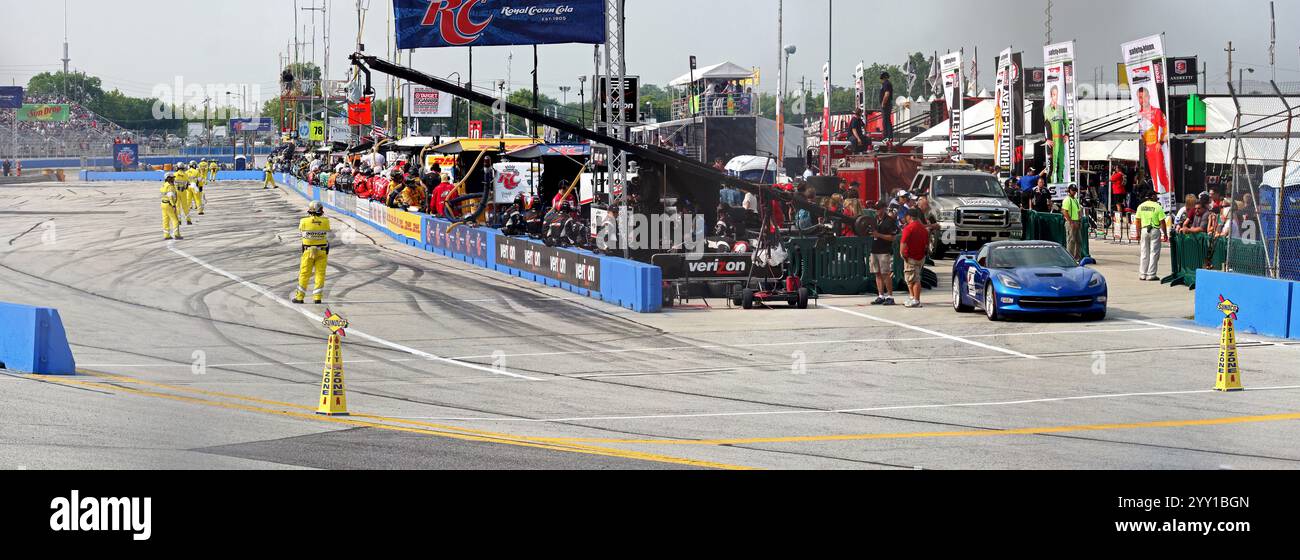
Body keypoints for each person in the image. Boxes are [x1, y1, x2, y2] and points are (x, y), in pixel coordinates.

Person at [293, 201, 331, 305]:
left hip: (308, 251)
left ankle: (300, 297)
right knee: (320, 274)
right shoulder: (326, 221)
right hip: (322, 251)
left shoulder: (303, 221)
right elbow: (327, 230)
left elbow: (301, 230)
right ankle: (317, 298)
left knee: (304, 274)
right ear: (321, 210)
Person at [1136, 87, 1170, 199]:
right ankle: (1157, 196)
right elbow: (1141, 132)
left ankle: (1167, 196)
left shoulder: (1156, 112)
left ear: (1149, 97)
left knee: (1162, 175)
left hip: (1157, 148)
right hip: (1147, 149)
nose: (1143, 99)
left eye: (1144, 96)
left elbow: (1166, 128)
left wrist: (1160, 142)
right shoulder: (1139, 114)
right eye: (1140, 97)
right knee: (1153, 177)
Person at [869, 200, 899, 306]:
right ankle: (881, 295)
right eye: (876, 208)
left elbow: (893, 237)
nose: (876, 210)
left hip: (884, 251)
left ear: (883, 208)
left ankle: (890, 296)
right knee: (877, 273)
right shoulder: (874, 220)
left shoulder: (890, 221)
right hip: (874, 250)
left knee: (885, 274)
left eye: (878, 208)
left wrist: (878, 235)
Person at [899, 208, 929, 308]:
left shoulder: (908, 228)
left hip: (911, 257)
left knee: (914, 279)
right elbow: (926, 245)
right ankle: (912, 297)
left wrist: (902, 254)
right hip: (920, 257)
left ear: (909, 217)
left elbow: (903, 243)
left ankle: (916, 300)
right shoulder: (923, 228)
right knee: (911, 278)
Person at [1135, 190, 1166, 281]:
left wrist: (1138, 233)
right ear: (1152, 196)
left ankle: (1142, 274)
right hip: (1155, 230)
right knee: (1154, 252)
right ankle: (1151, 274)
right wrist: (1165, 233)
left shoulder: (1141, 206)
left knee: (1144, 252)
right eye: (1156, 196)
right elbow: (1162, 222)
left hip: (1144, 230)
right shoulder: (1157, 206)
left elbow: (1137, 221)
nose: (1157, 197)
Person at [1062, 185, 1083, 260]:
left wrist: (1079, 219)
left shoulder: (1075, 200)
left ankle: (1077, 258)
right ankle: (1069, 259)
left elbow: (1078, 210)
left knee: (1078, 241)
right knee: (1071, 241)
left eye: (1075, 190)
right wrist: (1071, 222)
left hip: (1077, 221)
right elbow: (1064, 211)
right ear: (1069, 190)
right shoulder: (1067, 200)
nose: (1074, 192)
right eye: (1072, 190)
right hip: (1071, 222)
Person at [160, 173, 182, 240]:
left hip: (163, 204)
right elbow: (170, 196)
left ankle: (166, 235)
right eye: (172, 178)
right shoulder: (170, 186)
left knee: (165, 220)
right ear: (169, 178)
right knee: (175, 219)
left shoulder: (164, 185)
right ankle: (176, 234)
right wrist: (173, 205)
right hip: (169, 204)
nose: (173, 179)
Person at [879, 72, 894, 141]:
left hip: (886, 104)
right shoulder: (886, 83)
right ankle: (888, 136)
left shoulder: (886, 83)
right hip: (887, 104)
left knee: (886, 121)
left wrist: (883, 103)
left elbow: (887, 94)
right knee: (887, 120)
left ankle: (887, 136)